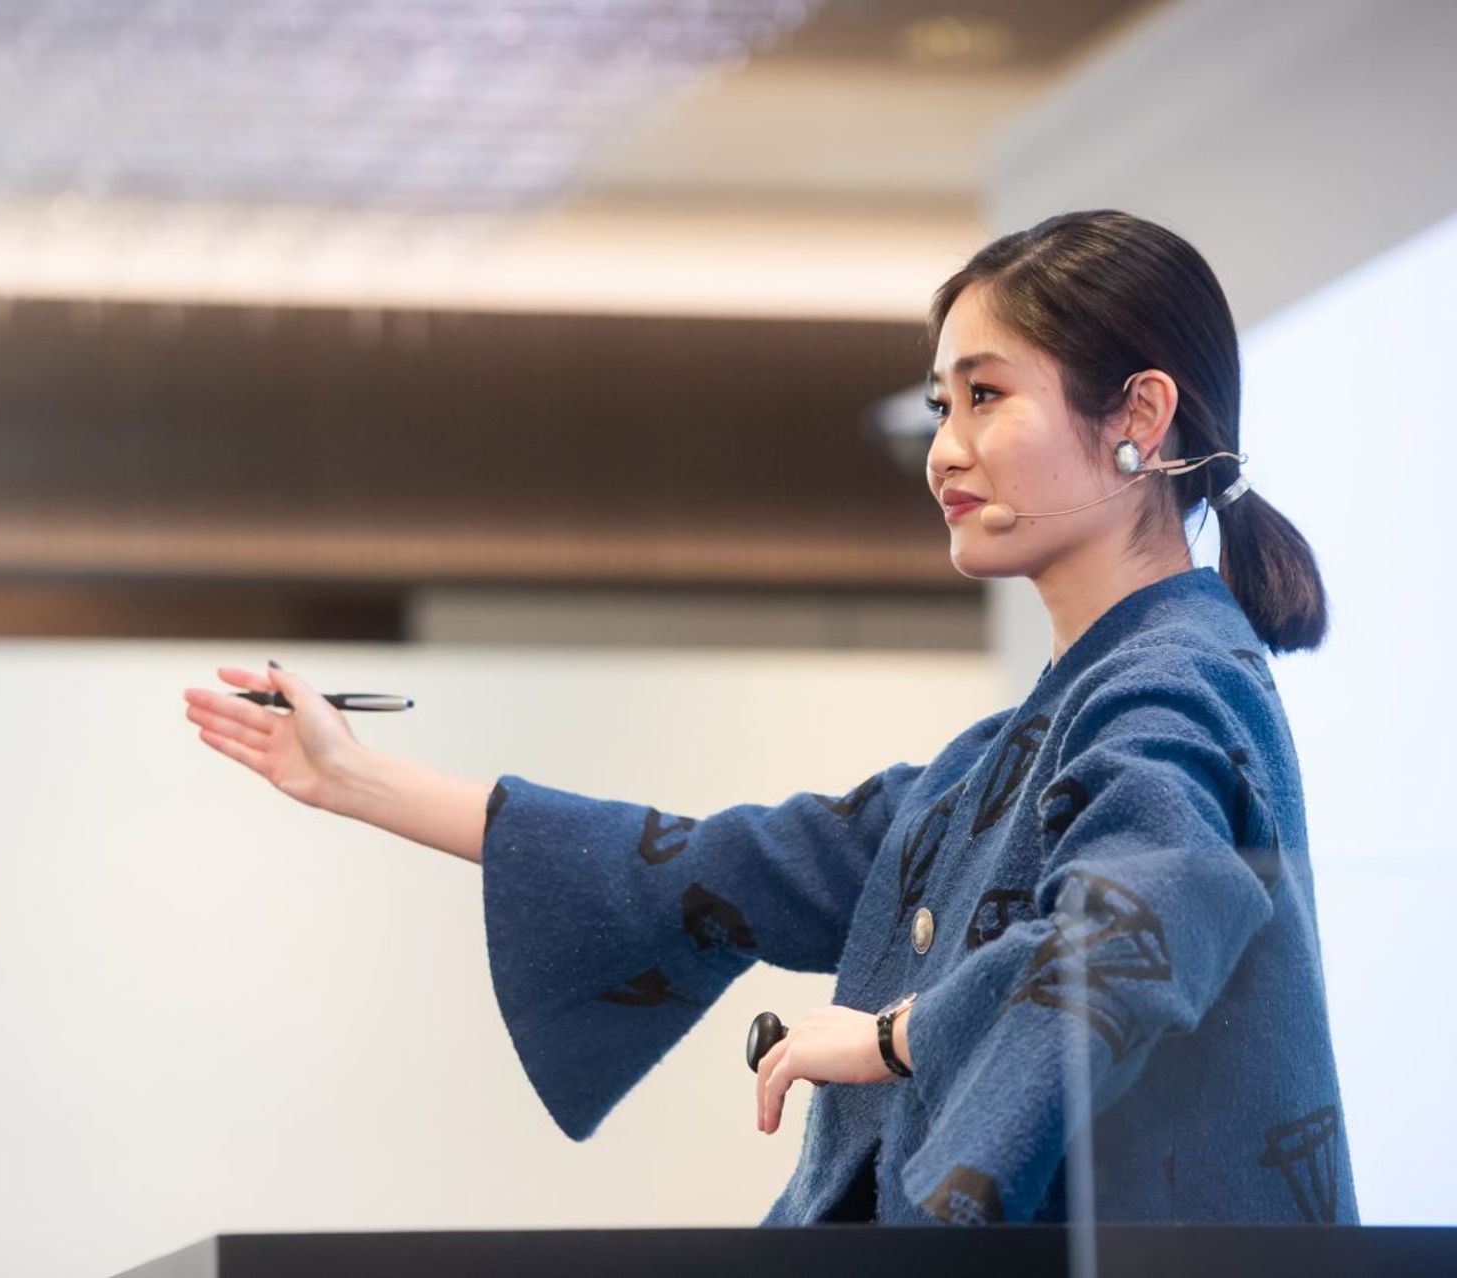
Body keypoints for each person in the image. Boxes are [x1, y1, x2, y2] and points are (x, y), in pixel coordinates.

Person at [181, 209, 1356, 1226]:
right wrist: (350, 778)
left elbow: (1136, 929)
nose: (945, 450)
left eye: (986, 396)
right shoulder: (1010, 754)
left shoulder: (1179, 681)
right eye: (944, 405)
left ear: (1138, 413)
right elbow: (715, 865)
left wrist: (892, 1037)